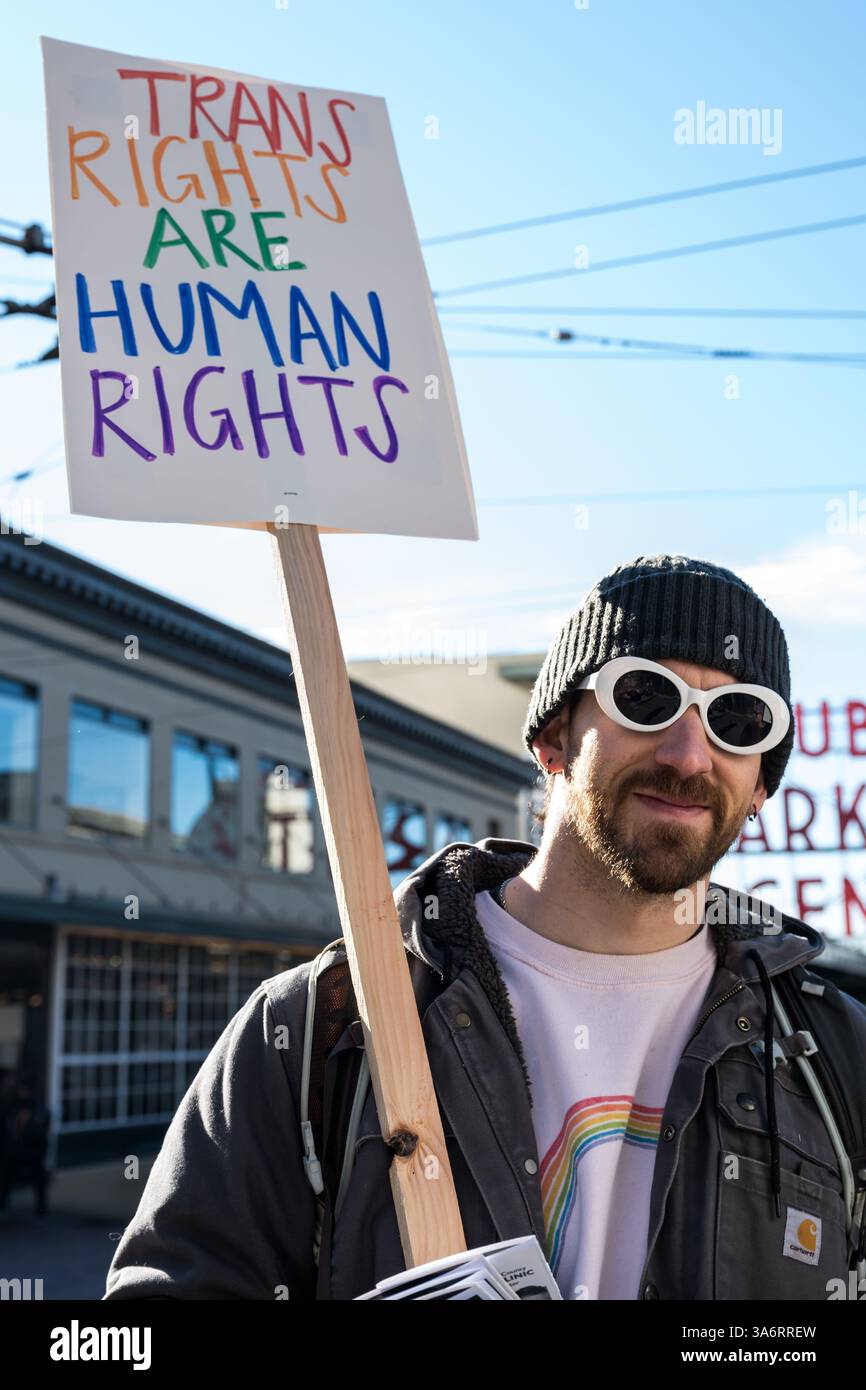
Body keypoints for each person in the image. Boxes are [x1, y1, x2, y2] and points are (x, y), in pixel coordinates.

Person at [104, 554, 866, 1301]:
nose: (688, 753)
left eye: (738, 720)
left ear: (762, 781)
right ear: (552, 741)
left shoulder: (836, 1058)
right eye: (645, 696)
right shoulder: (319, 1030)